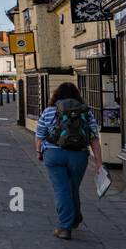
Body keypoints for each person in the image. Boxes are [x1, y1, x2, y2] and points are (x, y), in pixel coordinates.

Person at [34, 82, 103, 239]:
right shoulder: (86, 112)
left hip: (53, 154)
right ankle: (75, 218)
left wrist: (39, 152)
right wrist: (99, 162)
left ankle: (65, 227)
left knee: (62, 189)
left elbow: (40, 135)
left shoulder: (49, 112)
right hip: (78, 155)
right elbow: (94, 138)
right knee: (72, 187)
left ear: (56, 95)